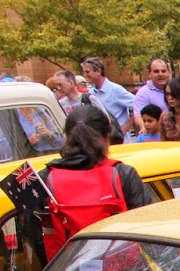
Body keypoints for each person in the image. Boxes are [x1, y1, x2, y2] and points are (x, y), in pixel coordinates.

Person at [39, 105, 152, 258]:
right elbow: (149, 231)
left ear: (66, 136)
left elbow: (36, 239)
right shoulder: (123, 174)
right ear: (108, 135)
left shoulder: (44, 178)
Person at [79, 58, 133, 142]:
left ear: (98, 71)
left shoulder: (115, 90)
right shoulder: (91, 92)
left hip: (120, 141)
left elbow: (139, 105)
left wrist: (127, 126)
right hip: (103, 142)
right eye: (84, 72)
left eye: (87, 72)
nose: (85, 75)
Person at [132, 58, 171, 131]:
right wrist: (144, 128)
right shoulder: (143, 93)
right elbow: (138, 116)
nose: (160, 74)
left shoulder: (177, 89)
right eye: (156, 71)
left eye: (163, 71)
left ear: (169, 73)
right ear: (149, 74)